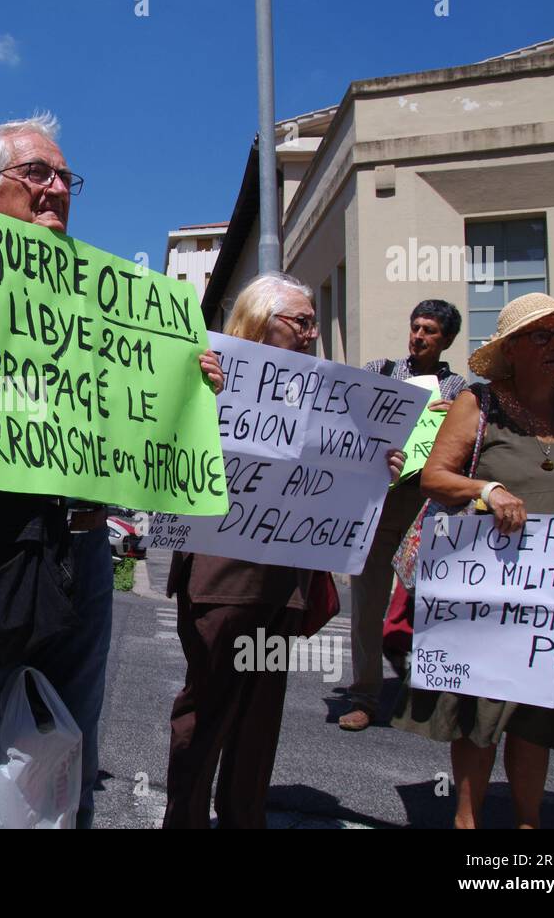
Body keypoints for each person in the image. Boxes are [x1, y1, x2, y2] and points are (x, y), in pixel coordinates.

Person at [0, 113, 224, 828]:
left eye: (64, 177)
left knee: (64, 758)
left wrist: (192, 382)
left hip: (81, 549)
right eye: (36, 174)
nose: (56, 189)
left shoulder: (105, 303)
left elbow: (137, 417)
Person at [162, 272, 404, 828]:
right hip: (221, 581)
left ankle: (245, 817)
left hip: (283, 584)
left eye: (314, 321)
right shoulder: (208, 372)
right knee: (209, 706)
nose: (313, 333)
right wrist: (200, 395)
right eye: (301, 322)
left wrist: (374, 469)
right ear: (258, 322)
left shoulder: (324, 396)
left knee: (260, 713)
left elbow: (328, 477)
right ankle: (187, 819)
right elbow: (163, 441)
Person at [394, 292, 554, 829]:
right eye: (542, 336)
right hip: (491, 584)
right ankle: (467, 822)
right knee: (481, 710)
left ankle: (527, 826)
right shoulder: (480, 402)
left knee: (534, 715)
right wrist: (488, 488)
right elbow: (434, 478)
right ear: (512, 349)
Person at [342, 300, 466, 731]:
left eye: (429, 330)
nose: (418, 336)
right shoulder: (380, 370)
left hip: (426, 506)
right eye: (415, 327)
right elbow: (347, 418)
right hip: (378, 502)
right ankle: (364, 696)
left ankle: (431, 699)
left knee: (431, 603)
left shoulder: (459, 390)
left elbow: (470, 446)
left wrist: (457, 422)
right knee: (366, 603)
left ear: (446, 339)